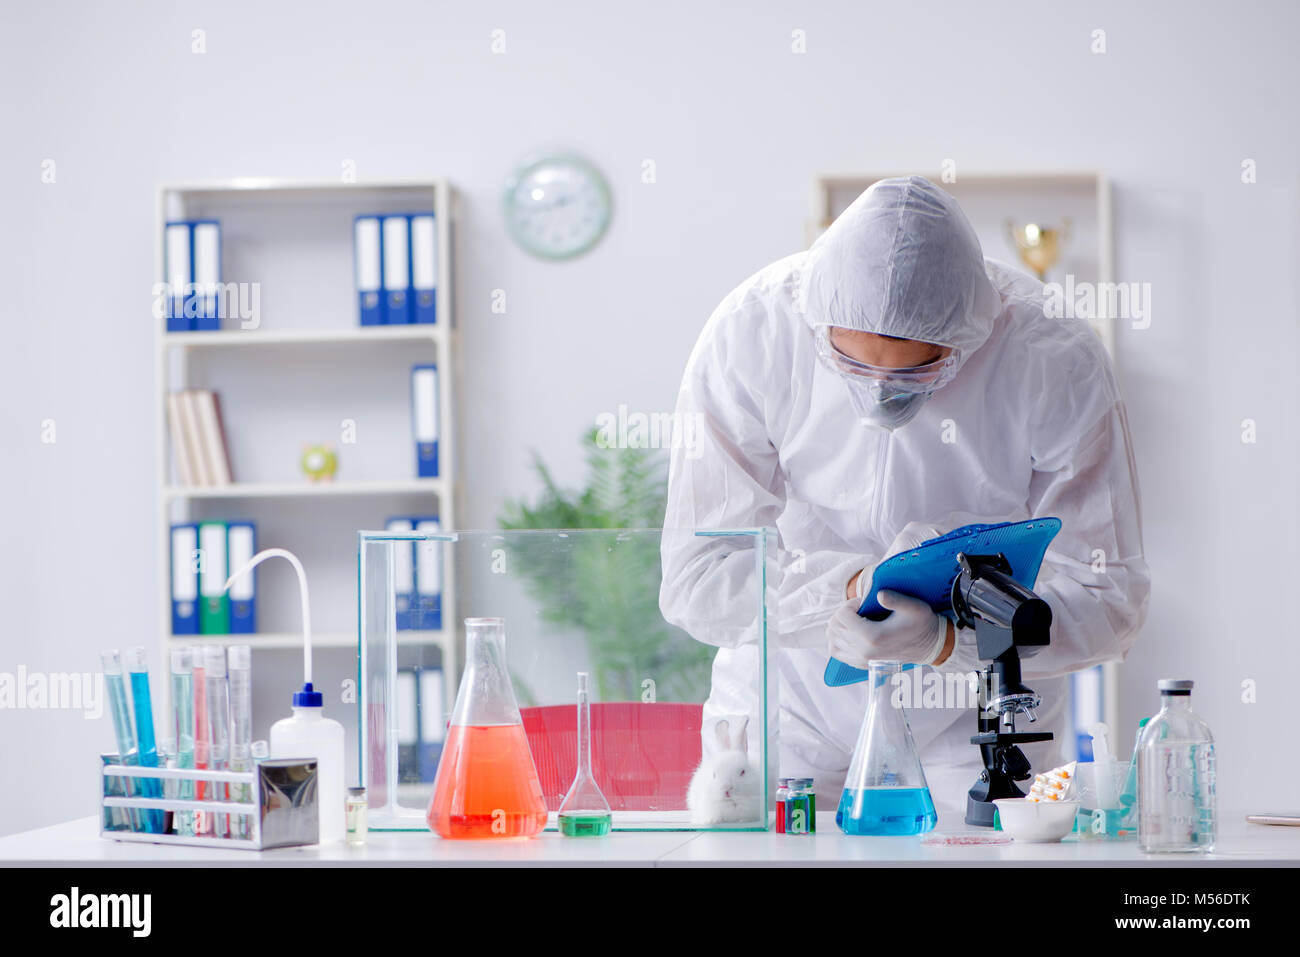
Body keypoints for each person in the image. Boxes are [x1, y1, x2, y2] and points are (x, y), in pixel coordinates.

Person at [659, 175, 1149, 822]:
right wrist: (843, 590)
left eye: (918, 370)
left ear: (975, 332)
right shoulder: (750, 335)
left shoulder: (1052, 355)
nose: (883, 396)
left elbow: (1110, 594)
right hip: (788, 703)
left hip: (971, 721)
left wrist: (952, 640)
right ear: (816, 322)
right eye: (854, 365)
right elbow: (698, 576)